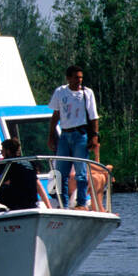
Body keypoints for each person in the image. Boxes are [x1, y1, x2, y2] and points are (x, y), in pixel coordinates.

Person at [48, 65, 99, 209]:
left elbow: (94, 116)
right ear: (68, 78)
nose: (79, 80)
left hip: (80, 134)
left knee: (80, 172)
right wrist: (51, 136)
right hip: (65, 134)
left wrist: (94, 136)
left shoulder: (87, 93)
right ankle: (63, 204)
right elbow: (56, 114)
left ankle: (81, 203)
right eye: (76, 77)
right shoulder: (60, 92)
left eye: (81, 78)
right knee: (61, 172)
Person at [0, 137, 52, 210]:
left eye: (2, 150)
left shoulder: (6, 162)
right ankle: (49, 206)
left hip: (15, 202)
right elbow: (38, 185)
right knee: (35, 181)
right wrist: (49, 208)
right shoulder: (29, 162)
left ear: (8, 151)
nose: (1, 152)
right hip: (31, 202)